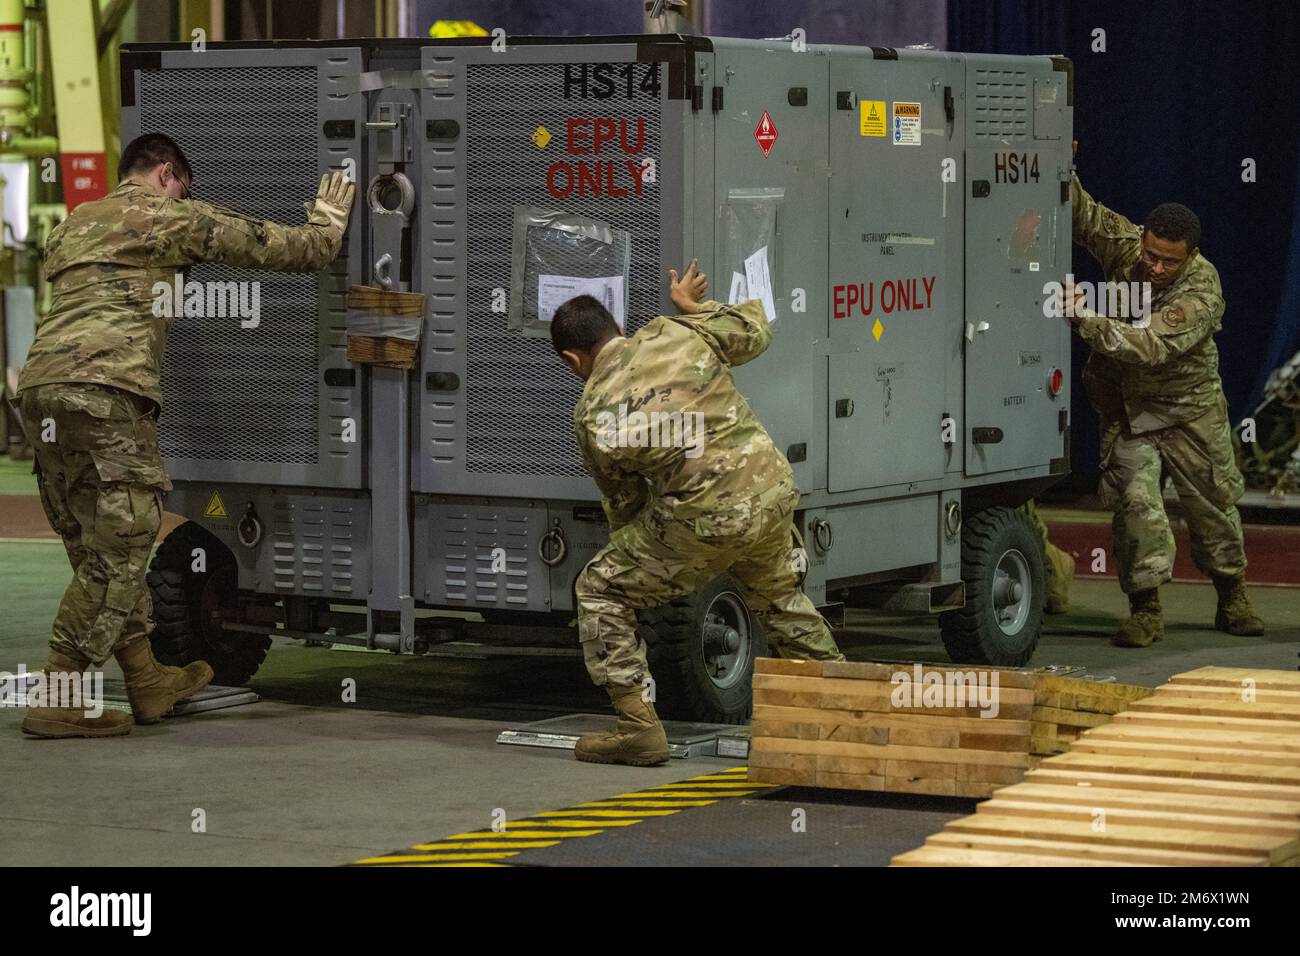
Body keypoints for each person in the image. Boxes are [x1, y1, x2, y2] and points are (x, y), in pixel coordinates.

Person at [17, 133, 355, 737]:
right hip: (107, 392)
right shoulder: (168, 215)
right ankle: (58, 694)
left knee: (99, 550)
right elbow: (283, 250)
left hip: (41, 392)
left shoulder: (72, 224)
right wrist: (326, 226)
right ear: (168, 174)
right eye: (185, 187)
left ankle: (147, 681)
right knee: (121, 549)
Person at [552, 259, 844, 766]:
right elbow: (756, 331)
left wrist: (659, 569)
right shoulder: (673, 331)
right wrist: (694, 306)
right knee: (781, 602)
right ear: (619, 328)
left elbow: (625, 506)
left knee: (598, 588)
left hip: (702, 521)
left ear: (573, 359)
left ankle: (638, 728)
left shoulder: (593, 411)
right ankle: (849, 711)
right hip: (770, 492)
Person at [1064, 143, 1263, 648]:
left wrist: (1085, 318)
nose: (1153, 268)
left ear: (1190, 256)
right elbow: (1082, 213)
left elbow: (1150, 345)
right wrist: (1058, 164)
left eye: (1167, 262)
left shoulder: (1202, 289)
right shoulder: (1130, 248)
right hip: (1132, 414)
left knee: (1214, 508)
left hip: (1191, 412)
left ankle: (1232, 593)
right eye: (1150, 255)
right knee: (1135, 505)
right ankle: (1146, 607)